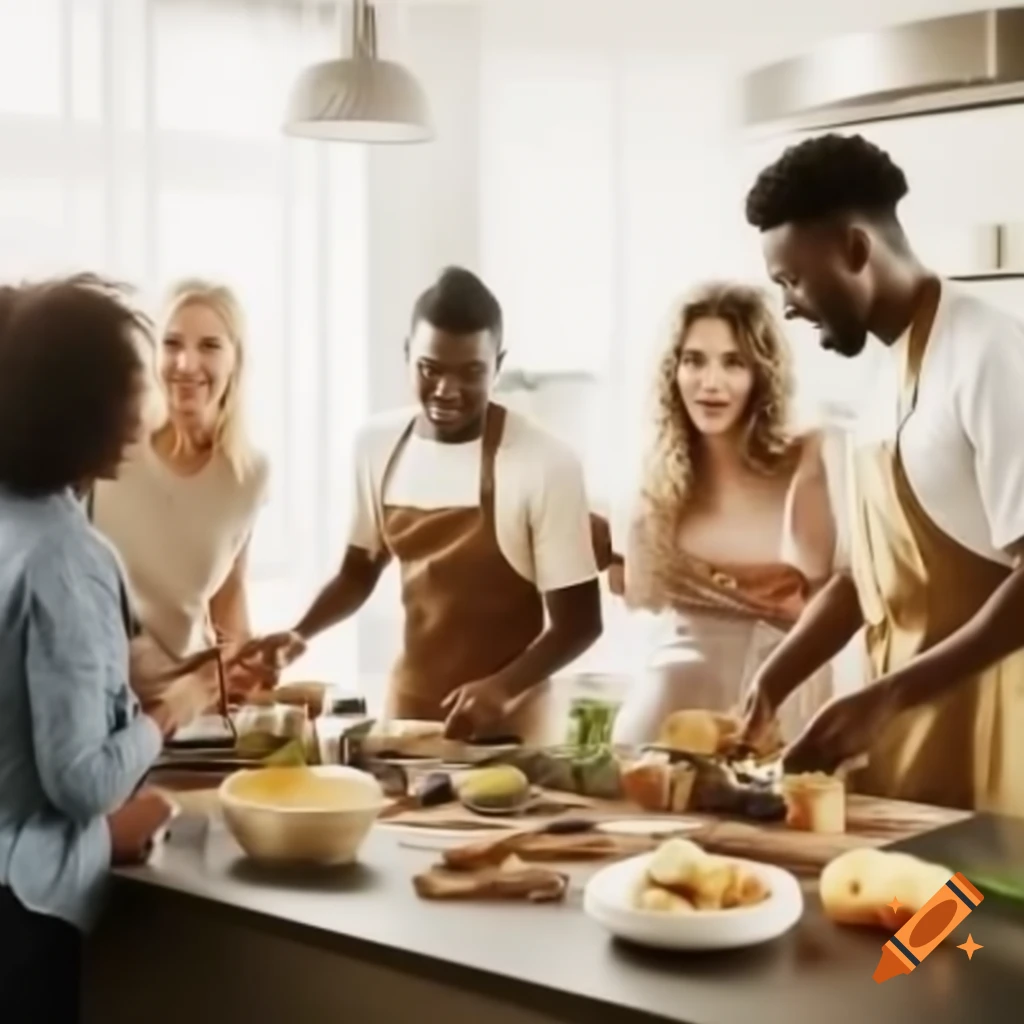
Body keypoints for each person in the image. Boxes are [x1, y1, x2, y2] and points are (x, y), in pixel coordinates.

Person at [740, 132, 1024, 814]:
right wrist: (773, 680)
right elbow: (864, 577)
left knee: (972, 923)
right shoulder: (881, 377)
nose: (786, 305)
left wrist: (890, 694)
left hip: (1002, 755)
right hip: (916, 754)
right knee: (893, 920)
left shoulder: (991, 353)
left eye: (792, 280)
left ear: (857, 251)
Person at [241, 266, 606, 741]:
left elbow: (580, 623)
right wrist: (300, 633)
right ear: (407, 355)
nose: (446, 390)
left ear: (498, 363)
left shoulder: (545, 461)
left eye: (471, 372)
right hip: (408, 716)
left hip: (512, 720)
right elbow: (357, 573)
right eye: (430, 369)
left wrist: (502, 688)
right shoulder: (376, 445)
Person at [0, 275, 217, 1022]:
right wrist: (174, 708)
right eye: (130, 383)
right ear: (73, 407)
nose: (147, 403)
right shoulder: (65, 556)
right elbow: (84, 784)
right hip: (20, 918)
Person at [609, 281, 840, 745]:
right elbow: (642, 597)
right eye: (694, 360)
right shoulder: (657, 480)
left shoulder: (807, 462)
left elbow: (830, 607)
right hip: (670, 709)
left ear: (762, 374)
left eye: (733, 363)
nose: (710, 383)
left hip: (779, 696)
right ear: (673, 371)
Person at [91, 278, 270, 702]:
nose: (187, 364)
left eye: (210, 346)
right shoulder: (110, 447)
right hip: (99, 696)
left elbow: (228, 598)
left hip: (188, 710)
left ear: (236, 361)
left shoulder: (250, 474)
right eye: (172, 344)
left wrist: (248, 671)